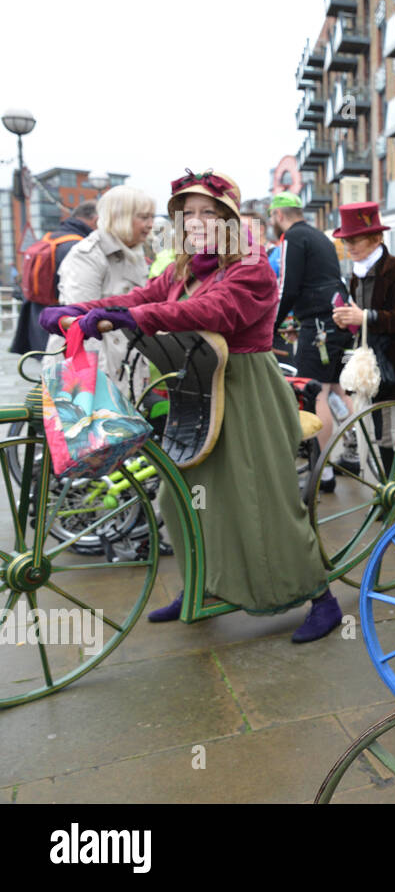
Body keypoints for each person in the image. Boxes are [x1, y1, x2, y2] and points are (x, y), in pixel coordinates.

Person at [39, 169, 342, 641]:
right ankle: (204, 585)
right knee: (180, 497)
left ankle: (319, 596)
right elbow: (143, 295)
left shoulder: (250, 264)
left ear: (228, 217)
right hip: (195, 390)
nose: (197, 221)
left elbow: (212, 311)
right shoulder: (184, 267)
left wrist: (124, 318)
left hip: (246, 391)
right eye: (187, 213)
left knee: (262, 503)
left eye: (208, 212)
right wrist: (83, 311)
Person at [330, 201, 395, 499]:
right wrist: (346, 321)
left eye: (354, 239)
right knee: (385, 435)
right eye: (345, 240)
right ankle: (392, 492)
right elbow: (362, 323)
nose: (349, 245)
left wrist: (364, 317)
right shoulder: (356, 274)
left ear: (377, 238)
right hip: (375, 366)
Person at [271, 191, 351, 488]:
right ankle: (352, 450)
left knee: (316, 394)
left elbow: (287, 287)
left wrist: (272, 325)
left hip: (318, 326)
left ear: (279, 215)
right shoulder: (321, 237)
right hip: (336, 320)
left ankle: (323, 472)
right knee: (336, 390)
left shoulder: (292, 238)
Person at [57, 187, 155, 397]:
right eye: (144, 217)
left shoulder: (134, 252)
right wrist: (98, 384)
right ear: (120, 217)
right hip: (95, 366)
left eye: (152, 217)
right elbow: (80, 322)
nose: (150, 225)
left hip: (123, 362)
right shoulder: (87, 255)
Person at [9, 201, 97, 355]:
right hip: (61, 323)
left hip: (37, 319)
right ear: (95, 220)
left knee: (46, 373)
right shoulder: (78, 247)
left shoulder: (50, 238)